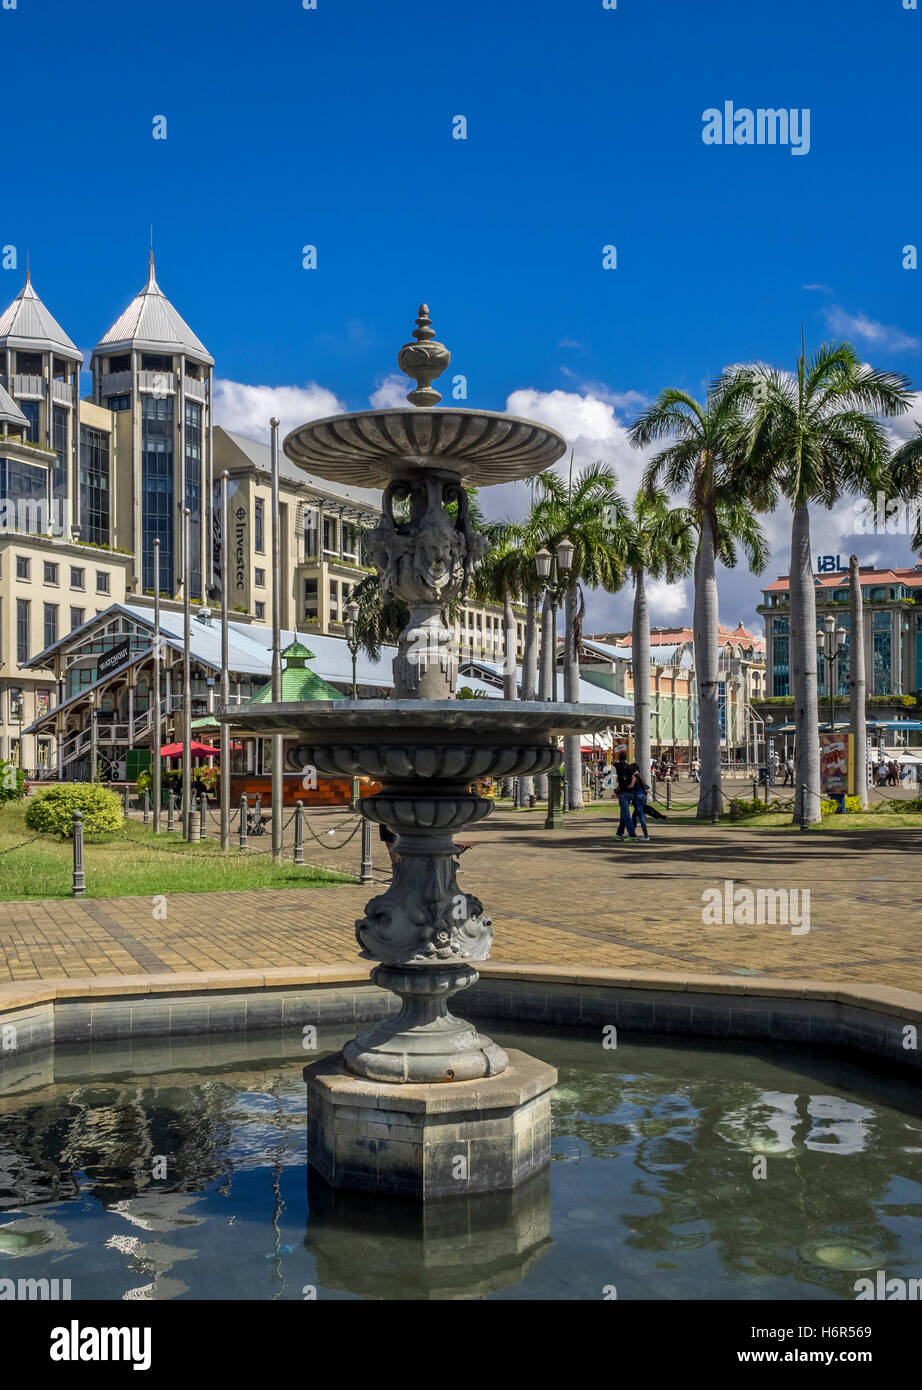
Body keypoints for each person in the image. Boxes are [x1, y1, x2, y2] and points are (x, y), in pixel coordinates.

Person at [613, 752, 644, 843]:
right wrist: (644, 787)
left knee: (626, 815)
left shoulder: (616, 766)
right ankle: (619, 833)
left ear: (618, 758)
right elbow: (638, 776)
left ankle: (632, 835)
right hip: (630, 794)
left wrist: (615, 789)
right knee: (623, 814)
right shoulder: (630, 767)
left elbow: (614, 778)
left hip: (622, 793)